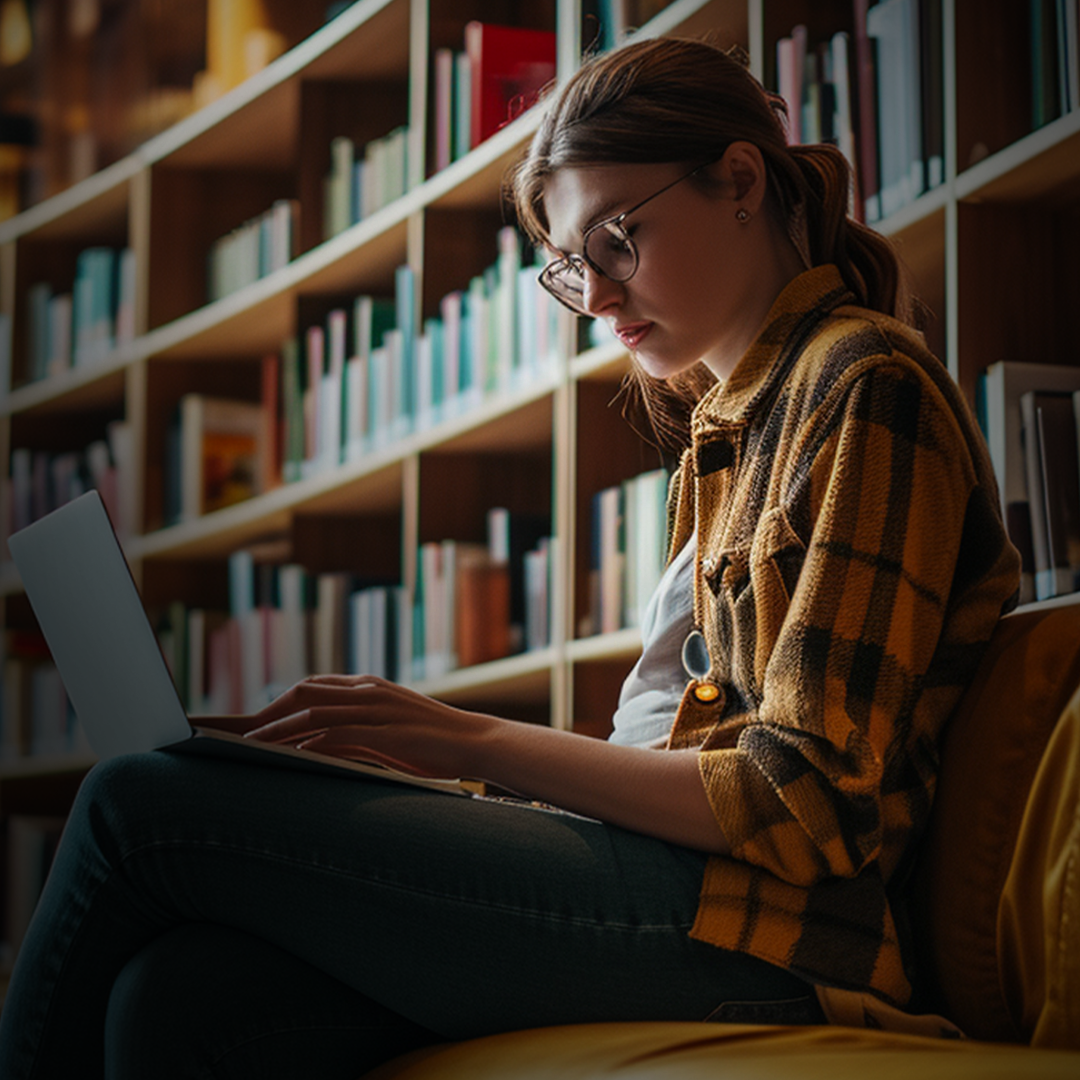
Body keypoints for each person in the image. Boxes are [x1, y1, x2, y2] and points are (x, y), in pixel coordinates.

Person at [0, 37, 1020, 1079]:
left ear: (740, 182)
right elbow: (681, 751)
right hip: (677, 887)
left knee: (138, 807)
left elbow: (806, 805)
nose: (600, 300)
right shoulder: (725, 434)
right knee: (177, 998)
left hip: (773, 934)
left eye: (618, 240)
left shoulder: (863, 383)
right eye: (574, 269)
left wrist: (469, 742)